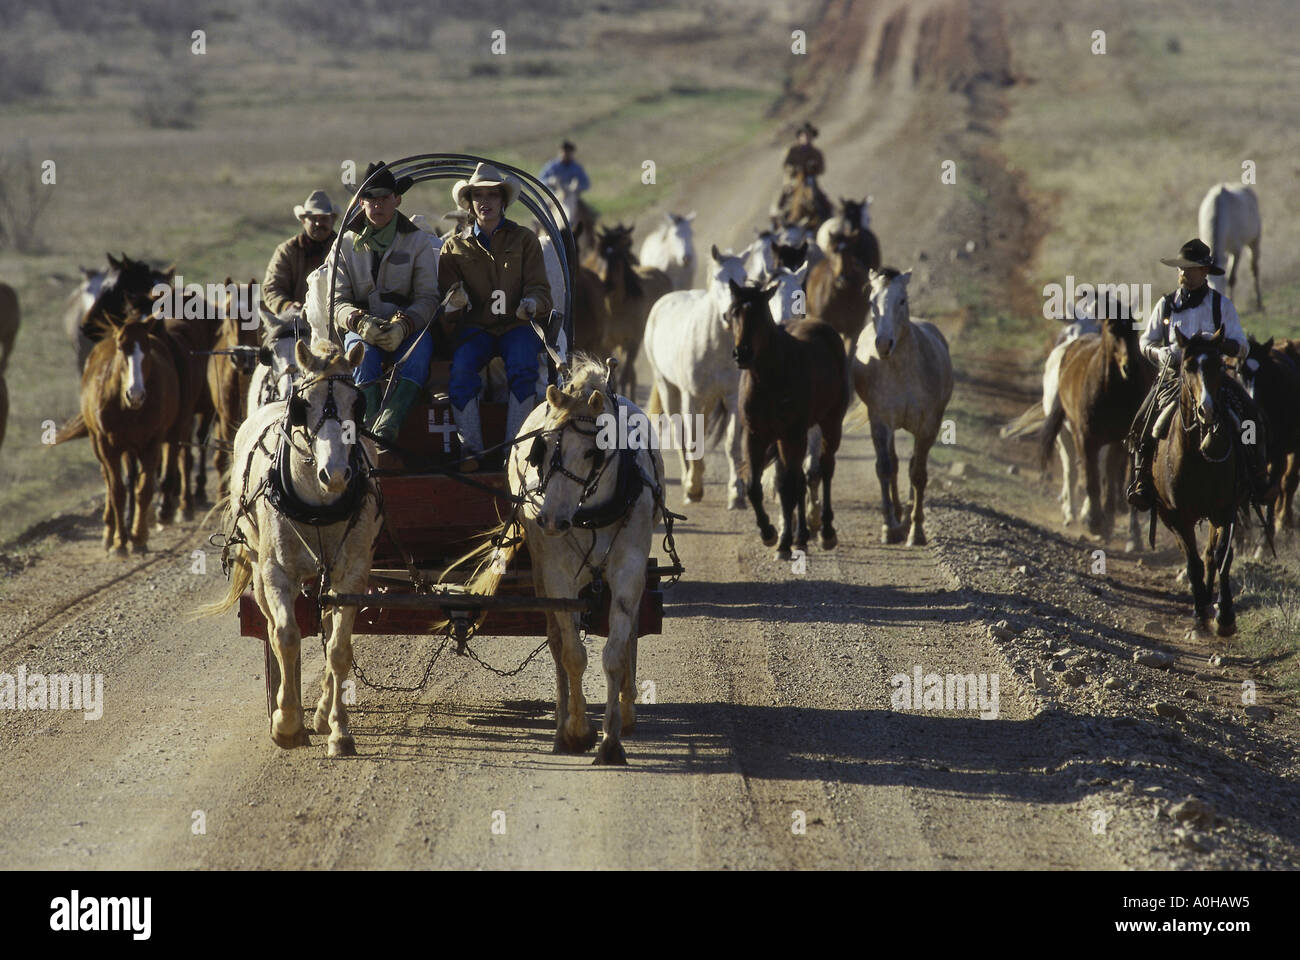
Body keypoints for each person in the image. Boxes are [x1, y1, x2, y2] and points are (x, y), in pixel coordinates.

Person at [1126, 238, 1272, 510]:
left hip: (1214, 379)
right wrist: (1160, 354)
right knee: (1142, 422)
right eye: (1180, 268)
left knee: (1251, 418)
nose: (1182, 272)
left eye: (1189, 268)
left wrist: (1217, 343)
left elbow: (1242, 346)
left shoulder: (1221, 305)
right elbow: (1145, 341)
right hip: (1174, 379)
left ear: (1204, 271)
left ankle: (1256, 474)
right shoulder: (1166, 304)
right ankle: (1142, 479)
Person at [438, 162, 553, 472]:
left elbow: (541, 290)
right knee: (461, 371)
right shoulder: (454, 247)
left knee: (524, 367)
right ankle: (471, 450)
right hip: (477, 328)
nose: (485, 202)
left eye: (492, 195)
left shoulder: (524, 240)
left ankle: (515, 450)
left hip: (517, 325)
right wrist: (454, 302)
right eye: (478, 195)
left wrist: (531, 302)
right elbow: (445, 299)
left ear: (503, 201)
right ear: (469, 203)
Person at [327, 161, 441, 443]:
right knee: (361, 356)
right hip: (362, 328)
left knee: (419, 353)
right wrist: (359, 322)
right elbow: (335, 301)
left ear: (397, 200)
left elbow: (428, 297)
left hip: (406, 327)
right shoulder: (344, 243)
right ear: (361, 202)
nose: (377, 204)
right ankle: (369, 425)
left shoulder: (417, 242)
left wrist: (404, 326)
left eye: (384, 198)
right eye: (370, 198)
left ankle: (389, 424)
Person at [263, 190, 338, 319]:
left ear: (333, 220)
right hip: (296, 321)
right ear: (303, 221)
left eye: (324, 218)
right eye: (313, 218)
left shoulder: (344, 249)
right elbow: (272, 288)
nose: (318, 224)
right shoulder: (287, 251)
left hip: (337, 319)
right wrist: (287, 306)